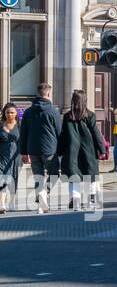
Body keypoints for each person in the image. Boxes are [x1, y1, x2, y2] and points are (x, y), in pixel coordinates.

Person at [18, 83, 63, 214]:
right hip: (50, 149)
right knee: (54, 174)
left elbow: (23, 133)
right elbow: (59, 132)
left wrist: (23, 152)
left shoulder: (28, 112)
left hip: (32, 149)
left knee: (38, 176)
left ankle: (40, 204)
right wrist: (61, 151)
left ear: (37, 94)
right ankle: (45, 192)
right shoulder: (53, 112)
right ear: (49, 94)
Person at [59, 90, 106, 211]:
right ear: (85, 100)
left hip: (71, 151)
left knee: (73, 176)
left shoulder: (67, 116)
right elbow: (96, 134)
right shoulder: (90, 115)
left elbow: (63, 135)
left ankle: (75, 200)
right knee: (91, 177)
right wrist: (102, 150)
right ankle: (91, 201)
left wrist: (59, 151)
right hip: (88, 151)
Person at [0, 103, 19, 213]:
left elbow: (23, 140)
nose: (10, 114)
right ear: (4, 113)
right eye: (8, 112)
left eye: (12, 112)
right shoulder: (0, 125)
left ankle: (12, 202)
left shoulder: (20, 125)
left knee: (13, 178)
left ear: (16, 113)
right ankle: (1, 204)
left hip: (15, 156)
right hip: (2, 156)